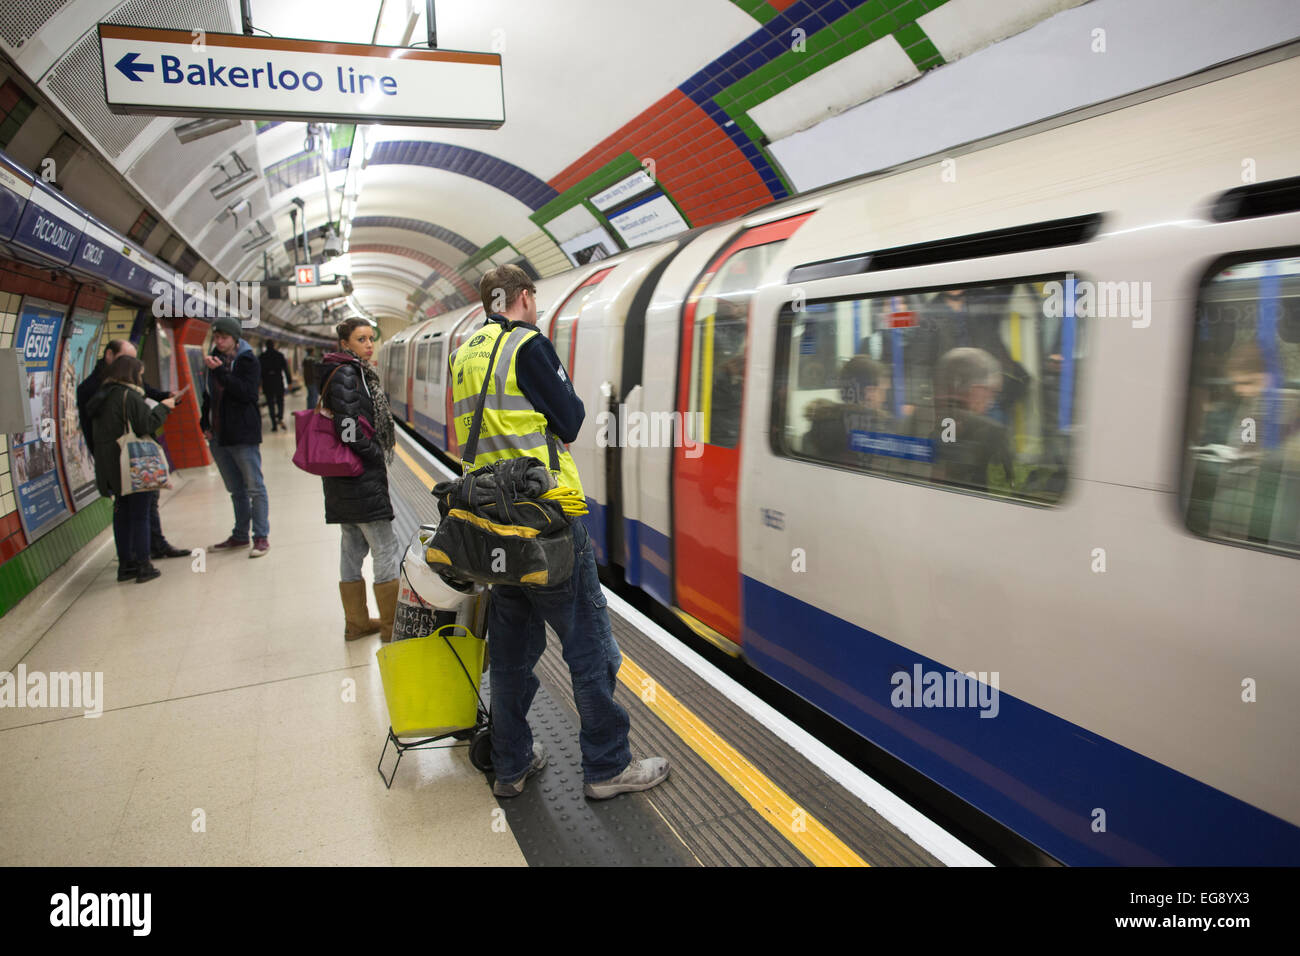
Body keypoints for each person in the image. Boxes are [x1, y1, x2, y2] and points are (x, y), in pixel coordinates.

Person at [453, 263, 669, 801]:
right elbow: (571, 421)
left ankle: (510, 765)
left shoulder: (465, 354)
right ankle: (606, 767)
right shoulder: (527, 345)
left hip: (490, 527)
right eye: (535, 297)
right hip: (546, 521)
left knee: (510, 655)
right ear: (524, 297)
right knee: (591, 648)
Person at [77, 339, 189, 577]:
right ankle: (143, 566)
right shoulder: (128, 396)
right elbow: (146, 424)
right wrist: (164, 407)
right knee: (141, 512)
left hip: (110, 463)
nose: (141, 380)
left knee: (122, 512)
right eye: (139, 375)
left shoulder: (99, 395)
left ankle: (126, 564)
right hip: (132, 463)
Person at [319, 318, 400, 642]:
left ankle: (357, 623)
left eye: (370, 338)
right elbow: (348, 428)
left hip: (342, 479)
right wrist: (374, 454)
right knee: (385, 547)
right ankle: (391, 627)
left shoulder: (347, 372)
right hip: (358, 476)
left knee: (351, 548)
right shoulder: (349, 375)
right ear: (345, 343)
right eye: (360, 339)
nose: (368, 344)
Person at [200, 316, 270, 557]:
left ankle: (260, 537)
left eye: (224, 338)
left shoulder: (248, 361)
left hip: (242, 433)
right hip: (218, 435)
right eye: (216, 337)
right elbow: (208, 396)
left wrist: (220, 371)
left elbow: (246, 393)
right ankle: (240, 535)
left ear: (235, 338)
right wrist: (204, 422)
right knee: (235, 489)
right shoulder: (214, 361)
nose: (219, 341)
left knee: (254, 487)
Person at [259, 339, 292, 432]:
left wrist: (259, 384)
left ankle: (274, 424)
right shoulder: (280, 355)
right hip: (278, 381)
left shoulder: (262, 357)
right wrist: (289, 382)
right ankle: (280, 417)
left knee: (270, 403)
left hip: (267, 382)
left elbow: (258, 372)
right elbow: (286, 370)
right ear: (274, 345)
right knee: (280, 401)